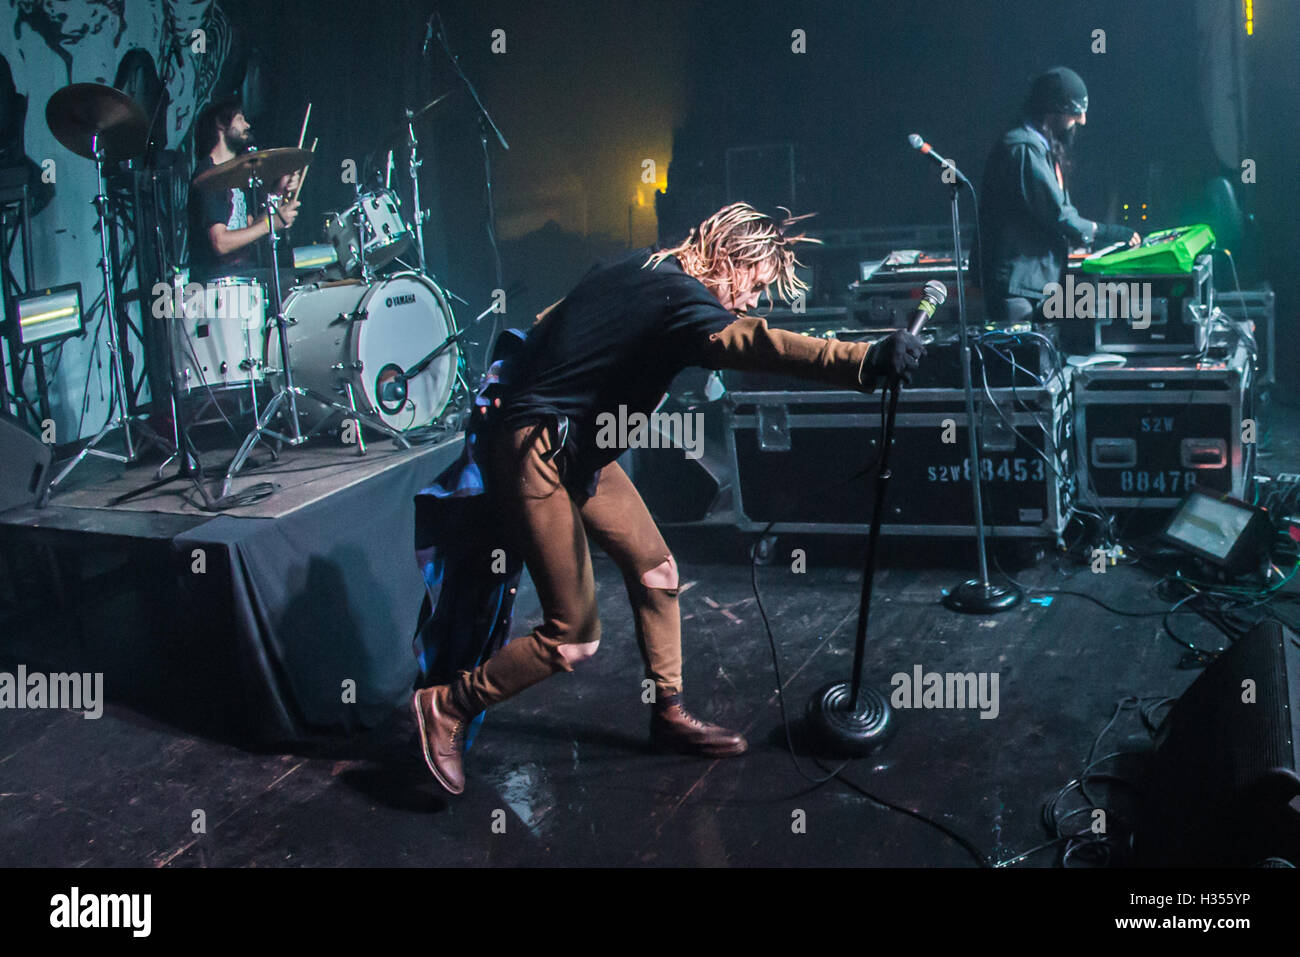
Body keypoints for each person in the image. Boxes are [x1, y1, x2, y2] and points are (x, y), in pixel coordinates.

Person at [412, 202, 925, 795]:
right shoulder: (682, 297)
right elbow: (752, 344)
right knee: (574, 635)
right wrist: (863, 359)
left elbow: (548, 320)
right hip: (539, 449)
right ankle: (446, 707)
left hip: (578, 451)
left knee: (657, 569)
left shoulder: (637, 267)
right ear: (732, 260)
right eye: (756, 284)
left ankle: (666, 713)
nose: (755, 299)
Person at [977, 66, 1140, 324]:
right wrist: (1107, 233)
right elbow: (1058, 215)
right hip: (1017, 289)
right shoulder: (1023, 149)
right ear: (1052, 111)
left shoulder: (1037, 147)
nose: (1082, 120)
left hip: (1032, 284)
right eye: (1075, 114)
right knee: (1021, 360)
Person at [187, 95, 301, 282]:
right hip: (219, 286)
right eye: (240, 118)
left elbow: (250, 231)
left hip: (244, 278)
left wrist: (280, 193)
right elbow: (220, 243)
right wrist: (269, 225)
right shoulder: (210, 176)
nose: (247, 125)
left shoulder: (237, 176)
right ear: (221, 124)